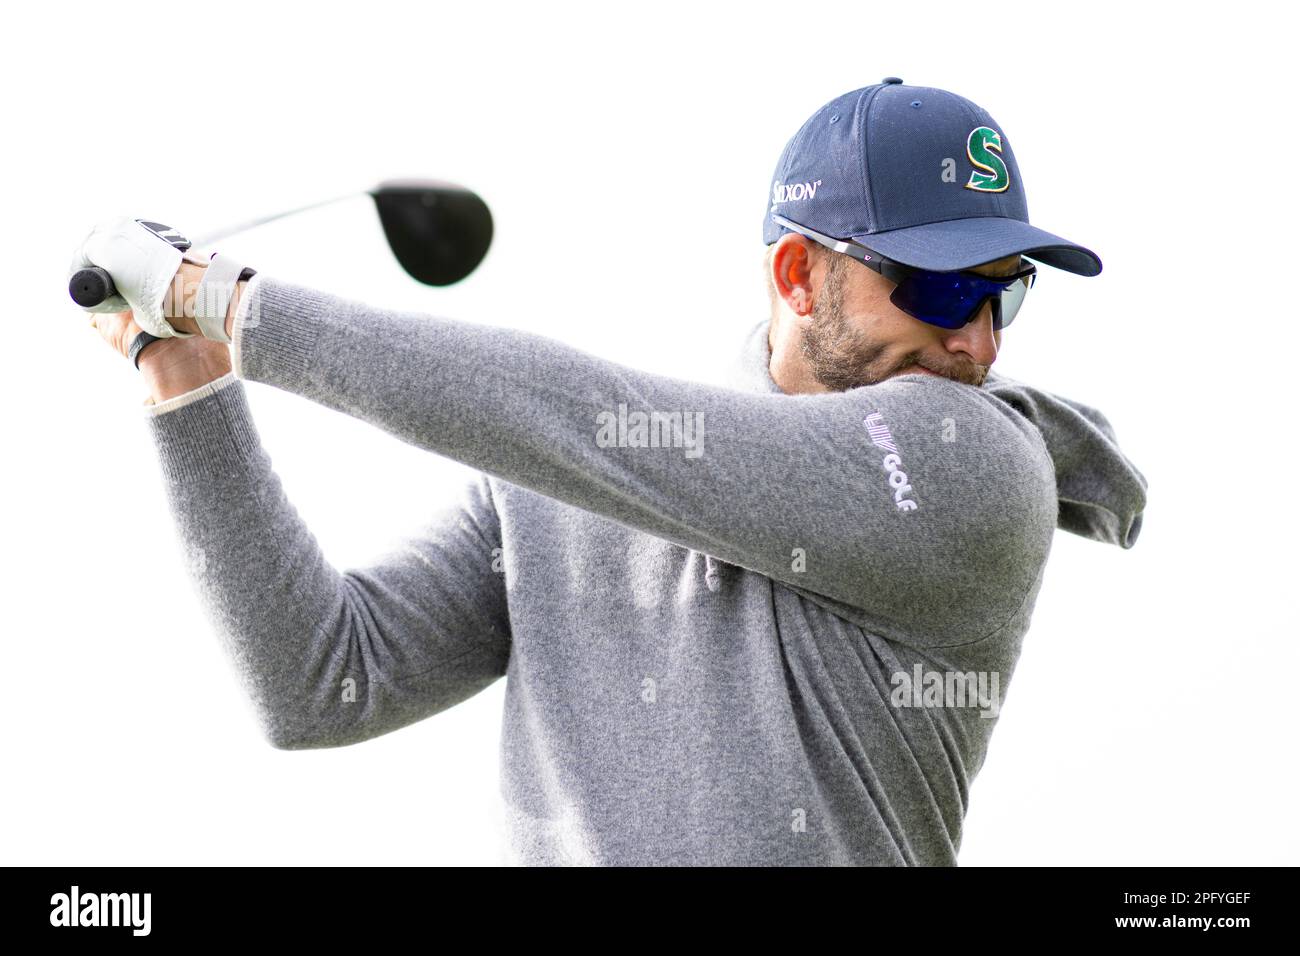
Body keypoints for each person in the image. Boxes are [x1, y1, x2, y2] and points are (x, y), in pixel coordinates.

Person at [72, 79, 1148, 865]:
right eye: (942, 290)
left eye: (1004, 293)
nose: (978, 344)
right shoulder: (568, 489)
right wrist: (190, 379)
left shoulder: (976, 464)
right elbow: (316, 684)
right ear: (798, 274)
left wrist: (223, 297)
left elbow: (583, 423)